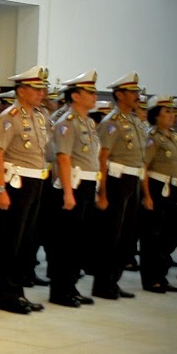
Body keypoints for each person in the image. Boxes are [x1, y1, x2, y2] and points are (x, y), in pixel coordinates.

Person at [0, 65, 52, 314]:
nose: (41, 93)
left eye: (42, 88)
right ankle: (7, 295)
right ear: (22, 90)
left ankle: (18, 292)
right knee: (10, 241)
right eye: (36, 89)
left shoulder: (39, 116)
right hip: (16, 183)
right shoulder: (10, 117)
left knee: (26, 241)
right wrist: (1, 188)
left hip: (35, 181)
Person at [46, 70, 103, 307]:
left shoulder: (88, 122)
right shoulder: (66, 124)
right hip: (73, 185)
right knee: (66, 241)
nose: (94, 96)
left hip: (88, 184)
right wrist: (68, 192)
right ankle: (60, 291)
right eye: (89, 92)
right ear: (76, 96)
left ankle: (71, 287)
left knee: (80, 240)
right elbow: (63, 159)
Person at [94, 72, 145, 300]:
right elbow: (102, 158)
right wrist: (102, 192)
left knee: (126, 235)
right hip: (116, 181)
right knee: (110, 235)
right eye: (132, 92)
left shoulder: (134, 121)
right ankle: (103, 283)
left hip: (132, 180)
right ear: (120, 95)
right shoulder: (111, 123)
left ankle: (114, 280)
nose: (137, 96)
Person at [138, 97, 177, 294]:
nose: (172, 115)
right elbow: (145, 168)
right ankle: (151, 279)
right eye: (167, 111)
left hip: (173, 188)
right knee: (152, 237)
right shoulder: (152, 137)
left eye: (173, 112)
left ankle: (162, 275)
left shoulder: (174, 136)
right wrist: (147, 195)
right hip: (157, 187)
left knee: (169, 236)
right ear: (155, 115)